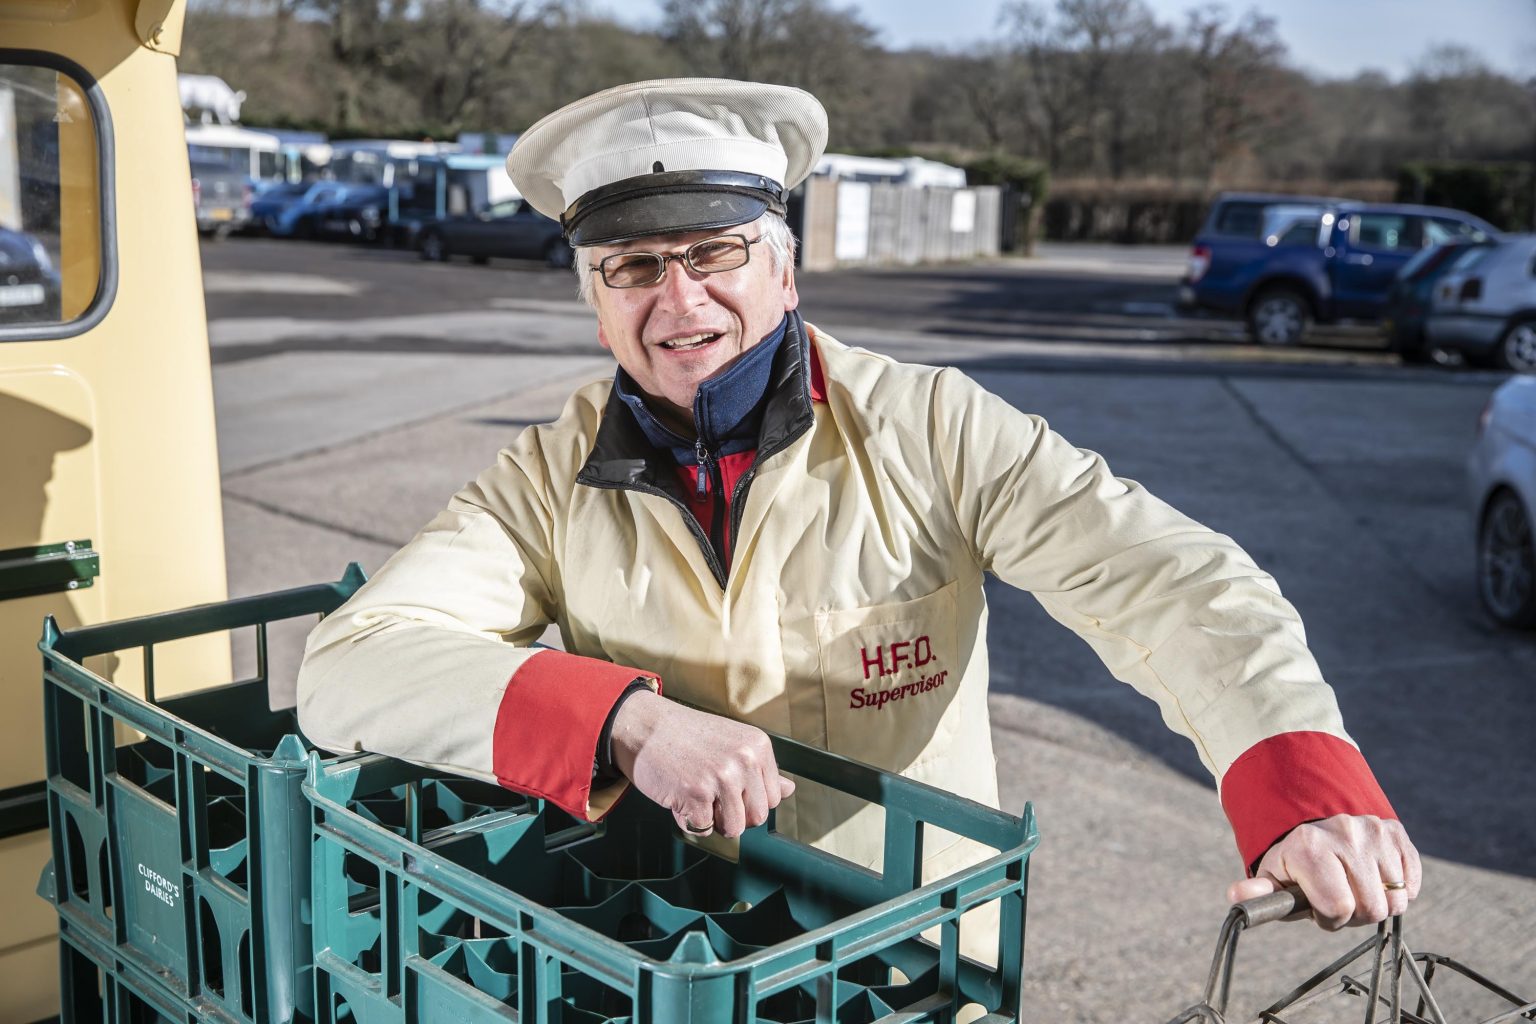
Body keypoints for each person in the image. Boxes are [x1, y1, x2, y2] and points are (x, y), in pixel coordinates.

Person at [296, 79, 1418, 943]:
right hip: (676, 949)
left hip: (914, 961)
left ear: (785, 272)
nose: (679, 298)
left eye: (714, 250)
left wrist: (1301, 788)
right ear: (596, 306)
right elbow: (346, 667)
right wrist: (625, 723)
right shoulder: (547, 475)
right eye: (633, 265)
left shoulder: (930, 425)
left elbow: (1168, 582)